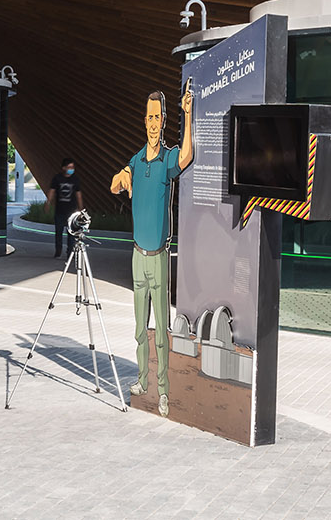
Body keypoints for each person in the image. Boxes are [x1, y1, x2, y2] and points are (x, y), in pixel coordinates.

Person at [110, 82, 194, 418]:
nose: (154, 123)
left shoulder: (168, 159)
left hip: (159, 257)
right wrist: (121, 176)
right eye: (149, 117)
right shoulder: (136, 159)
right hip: (137, 257)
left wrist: (188, 116)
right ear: (144, 122)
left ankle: (163, 392)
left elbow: (187, 156)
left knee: (161, 331)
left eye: (158, 117)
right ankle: (142, 382)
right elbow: (115, 183)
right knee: (139, 329)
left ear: (164, 120)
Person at [46, 157, 83, 259]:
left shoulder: (75, 179)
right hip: (60, 210)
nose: (71, 169)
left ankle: (70, 252)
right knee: (58, 232)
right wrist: (48, 203)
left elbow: (78, 194)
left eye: (73, 167)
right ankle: (58, 251)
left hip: (71, 212)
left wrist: (81, 209)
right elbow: (52, 191)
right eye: (69, 167)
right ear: (63, 168)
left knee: (71, 233)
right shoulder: (57, 178)